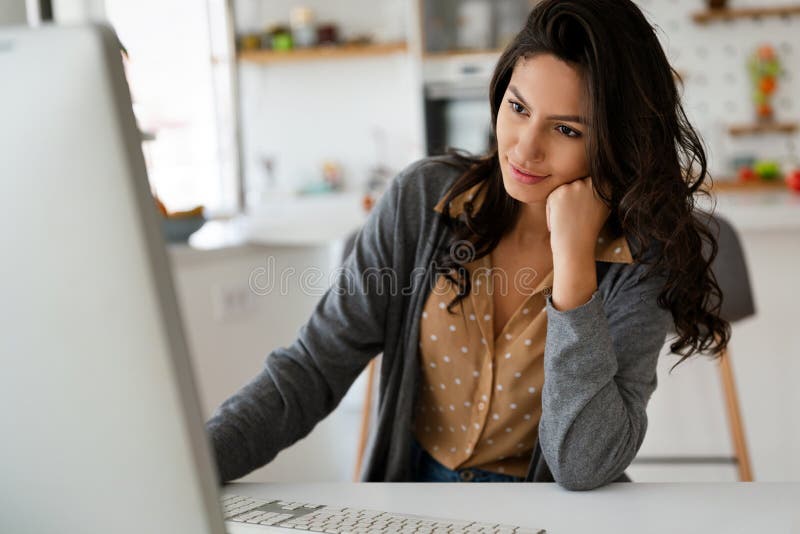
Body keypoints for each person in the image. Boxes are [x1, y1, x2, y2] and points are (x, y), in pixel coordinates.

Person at [206, 0, 730, 490]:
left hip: (546, 513)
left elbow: (584, 464)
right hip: (414, 496)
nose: (525, 148)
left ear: (618, 141)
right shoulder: (422, 199)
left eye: (567, 130)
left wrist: (574, 265)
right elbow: (310, 370)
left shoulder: (640, 258)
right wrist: (193, 464)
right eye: (518, 107)